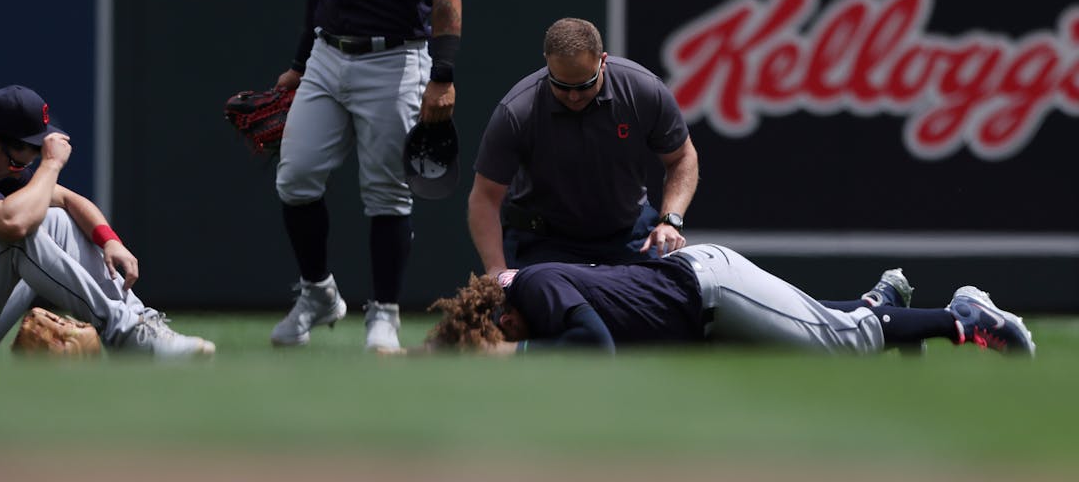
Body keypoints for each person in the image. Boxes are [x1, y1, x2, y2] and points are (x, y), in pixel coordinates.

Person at [270, 0, 465, 352]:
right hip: (329, 56)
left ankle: (384, 314)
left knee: (386, 194)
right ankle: (317, 292)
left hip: (396, 59)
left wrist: (443, 74)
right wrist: (299, 63)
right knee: (295, 177)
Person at [0, 84, 215, 356]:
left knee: (55, 220)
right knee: (18, 235)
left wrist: (109, 239)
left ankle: (141, 326)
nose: (22, 169)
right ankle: (125, 334)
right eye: (19, 162)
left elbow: (66, 200)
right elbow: (14, 226)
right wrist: (50, 165)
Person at [426, 244, 1037, 357]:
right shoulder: (519, 295)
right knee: (822, 342)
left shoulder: (529, 287)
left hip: (713, 291)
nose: (503, 347)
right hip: (702, 305)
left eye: (498, 339)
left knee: (844, 345)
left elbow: (596, 345)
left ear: (502, 320)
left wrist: (518, 355)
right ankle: (881, 296)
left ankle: (964, 316)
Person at [468, 17, 699, 277]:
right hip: (544, 242)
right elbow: (485, 197)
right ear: (547, 62)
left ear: (603, 61)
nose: (574, 96)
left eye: (584, 85)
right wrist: (496, 269)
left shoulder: (643, 90)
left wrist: (670, 220)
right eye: (562, 86)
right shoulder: (517, 111)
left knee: (667, 301)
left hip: (628, 235)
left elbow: (682, 157)